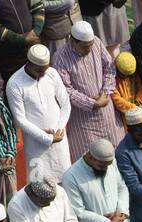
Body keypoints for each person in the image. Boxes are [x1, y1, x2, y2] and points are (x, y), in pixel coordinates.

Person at [54, 22, 121, 163]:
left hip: (106, 113)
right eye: (85, 46)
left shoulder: (96, 42)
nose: (89, 49)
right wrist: (92, 103)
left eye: (90, 45)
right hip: (82, 120)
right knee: (87, 159)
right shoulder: (60, 58)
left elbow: (109, 68)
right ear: (73, 41)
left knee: (115, 154)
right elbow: (66, 90)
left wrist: (105, 92)